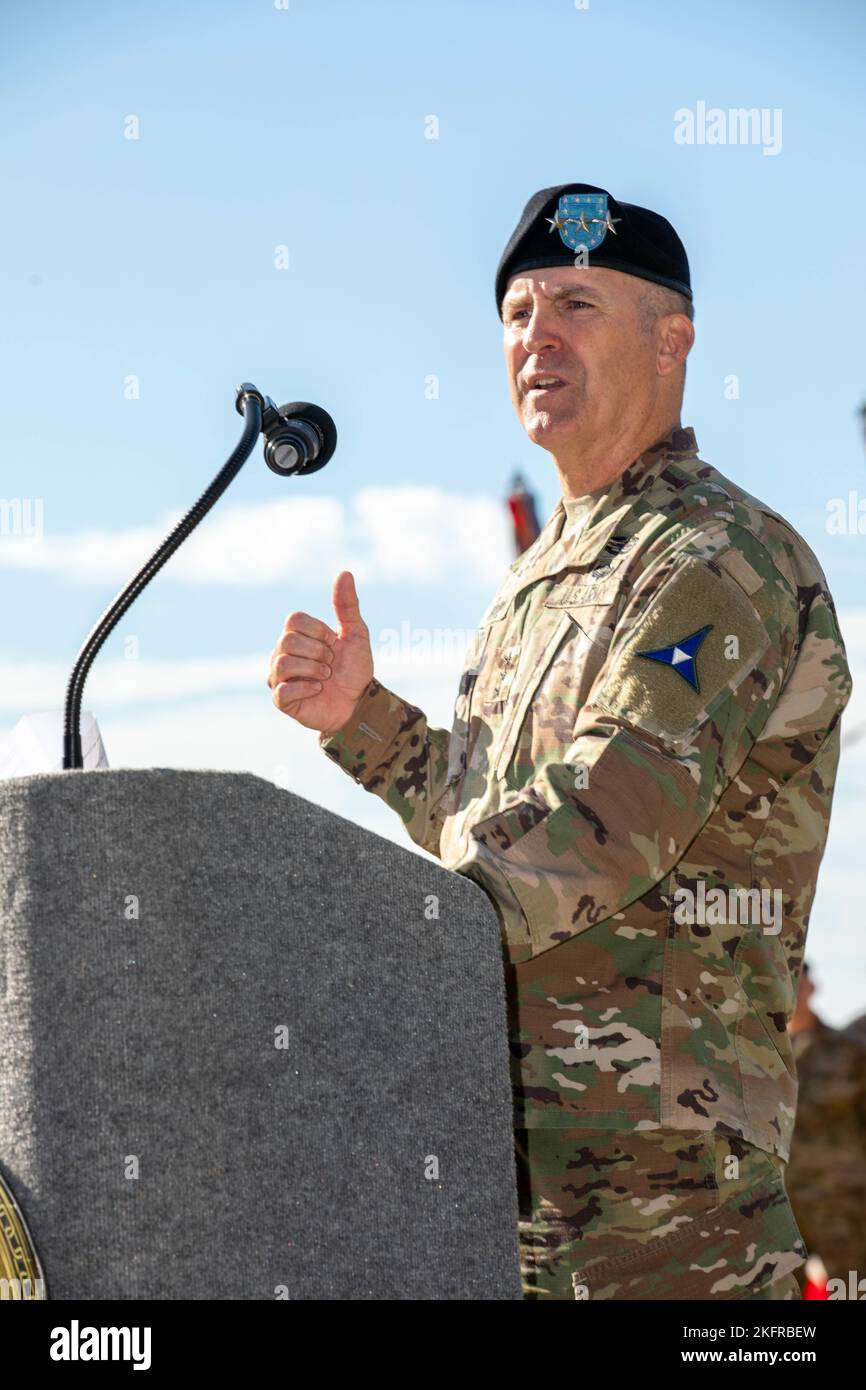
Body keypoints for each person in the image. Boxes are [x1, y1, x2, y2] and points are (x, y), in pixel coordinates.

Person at [266, 182, 852, 1300]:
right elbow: (481, 817)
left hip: (668, 1230)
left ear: (671, 339)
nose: (536, 337)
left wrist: (341, 958)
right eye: (517, 313)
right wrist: (366, 724)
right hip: (503, 1205)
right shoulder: (534, 583)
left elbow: (600, 820)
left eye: (576, 304)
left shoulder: (715, 557)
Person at [786, 963, 866, 1289]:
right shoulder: (754, 1062)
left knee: (852, 1293)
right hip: (779, 1211)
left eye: (796, 981)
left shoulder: (851, 1053)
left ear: (811, 987)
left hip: (843, 1207)